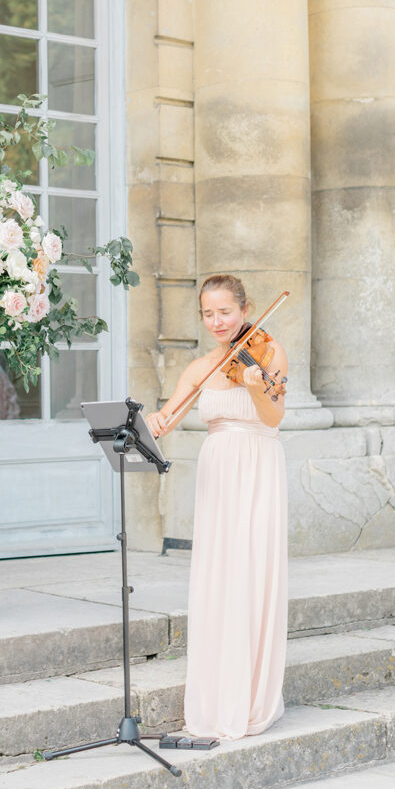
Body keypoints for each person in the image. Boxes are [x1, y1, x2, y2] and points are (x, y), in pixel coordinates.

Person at [146, 274, 288, 741]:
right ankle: (216, 694)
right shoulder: (202, 367)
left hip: (259, 467)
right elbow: (170, 415)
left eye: (224, 311)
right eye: (208, 313)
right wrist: (156, 420)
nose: (217, 321)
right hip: (218, 470)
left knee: (252, 572)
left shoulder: (269, 353)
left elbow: (274, 416)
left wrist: (252, 387)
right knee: (219, 577)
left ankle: (250, 696)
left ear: (245, 309)